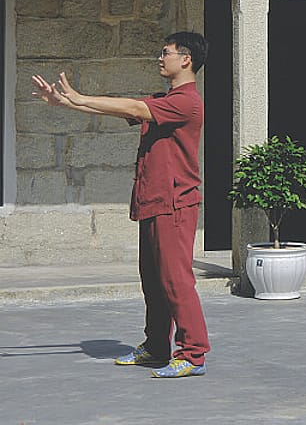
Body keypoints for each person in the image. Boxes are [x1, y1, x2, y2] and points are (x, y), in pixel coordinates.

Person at [31, 32, 211, 379]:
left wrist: (80, 96)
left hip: (176, 203)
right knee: (153, 281)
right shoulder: (165, 99)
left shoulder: (186, 101)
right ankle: (157, 347)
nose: (160, 58)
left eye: (166, 53)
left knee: (176, 280)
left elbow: (131, 107)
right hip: (154, 200)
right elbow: (122, 107)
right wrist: (66, 103)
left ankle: (193, 354)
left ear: (186, 59)